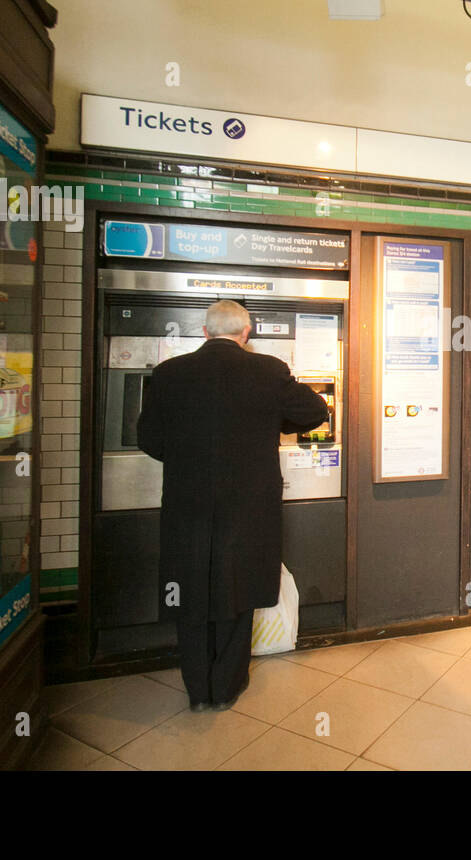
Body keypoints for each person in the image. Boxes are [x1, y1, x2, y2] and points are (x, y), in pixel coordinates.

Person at [137, 299, 329, 712]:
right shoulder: (269, 371)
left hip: (188, 503)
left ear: (205, 333)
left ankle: (197, 689)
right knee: (237, 588)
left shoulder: (169, 373)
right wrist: (275, 423)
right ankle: (226, 686)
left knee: (190, 589)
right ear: (246, 334)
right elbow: (316, 410)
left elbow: (148, 439)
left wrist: (188, 459)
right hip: (248, 506)